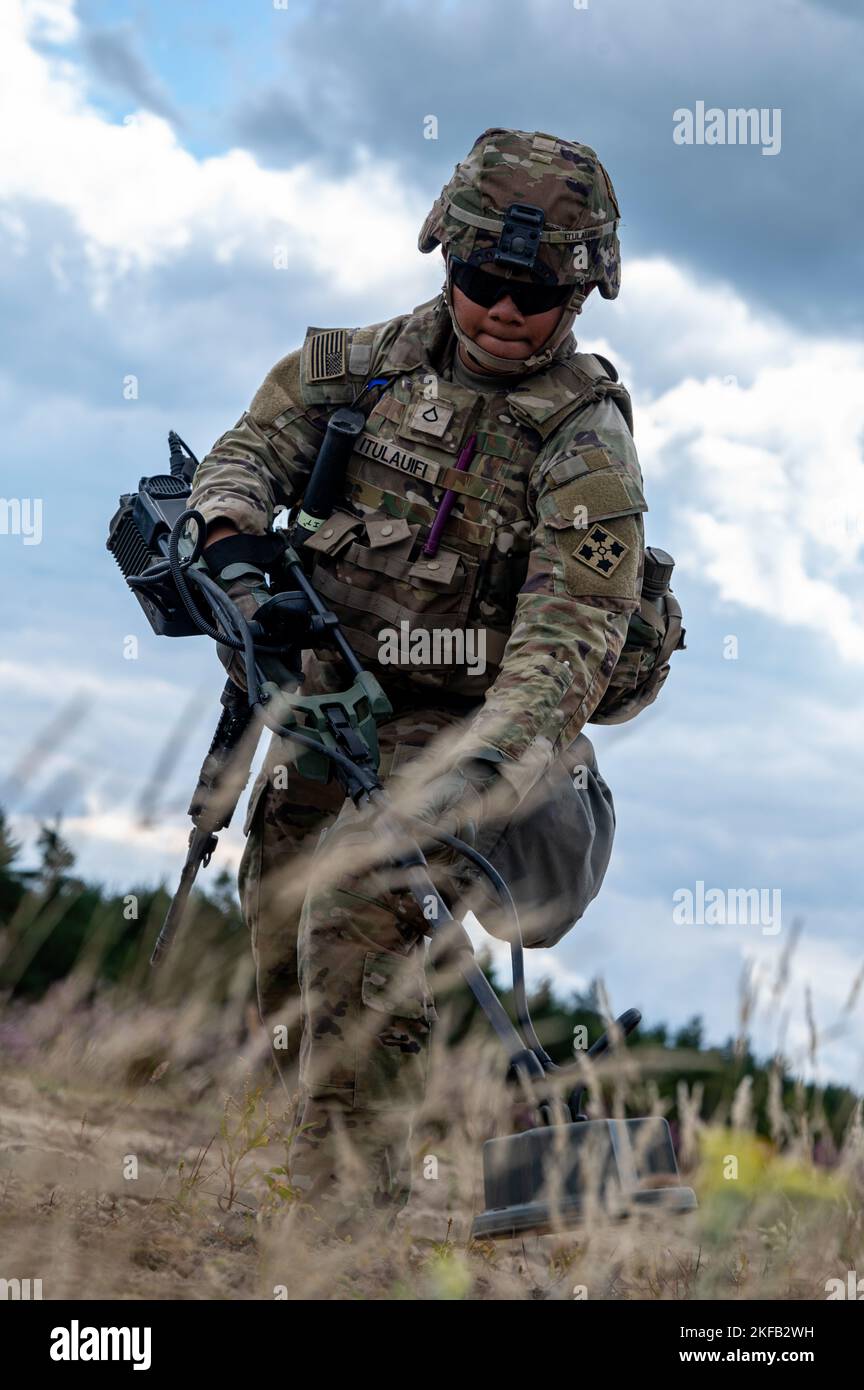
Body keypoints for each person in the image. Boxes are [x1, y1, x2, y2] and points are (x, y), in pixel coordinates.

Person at [187, 128, 648, 1231]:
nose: (503, 309)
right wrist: (234, 539)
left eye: (533, 291)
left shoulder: (584, 448)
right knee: (282, 934)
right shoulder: (356, 368)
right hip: (326, 706)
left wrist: (479, 767)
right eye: (481, 279)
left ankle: (346, 1226)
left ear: (580, 294)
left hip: (460, 735)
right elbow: (245, 453)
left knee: (358, 918)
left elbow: (569, 641)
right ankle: (308, 1180)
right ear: (445, 259)